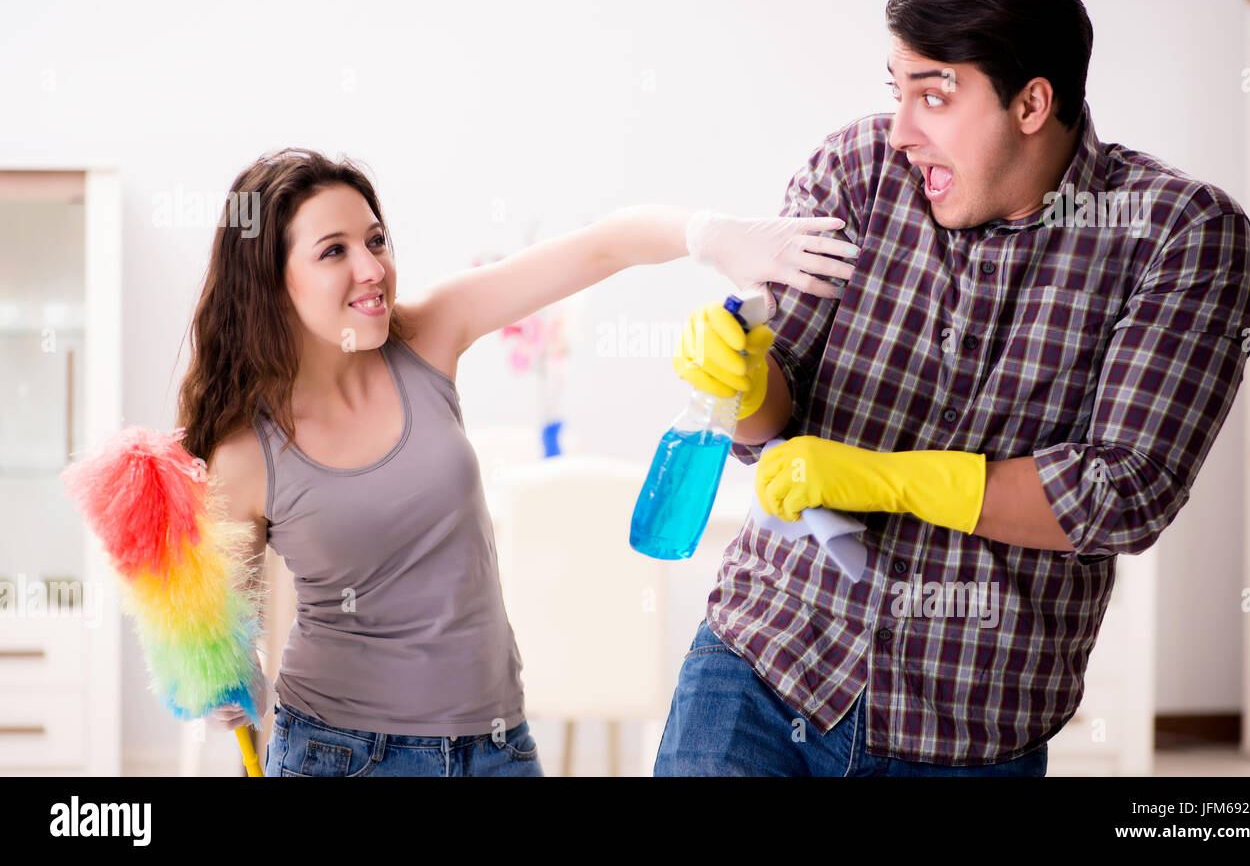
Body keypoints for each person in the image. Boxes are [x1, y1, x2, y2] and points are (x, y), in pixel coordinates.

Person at [657, 0, 1250, 777]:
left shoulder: (1177, 233)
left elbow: (1126, 491)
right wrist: (742, 375)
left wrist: (892, 479)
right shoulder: (860, 173)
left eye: (934, 96)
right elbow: (770, 428)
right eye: (896, 92)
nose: (902, 132)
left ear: (1031, 103)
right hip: (764, 664)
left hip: (969, 723)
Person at [183, 147, 858, 776]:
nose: (372, 268)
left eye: (376, 239)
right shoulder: (245, 452)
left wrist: (709, 235)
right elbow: (223, 626)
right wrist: (227, 677)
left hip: (498, 743)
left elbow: (602, 246)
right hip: (344, 751)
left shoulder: (427, 334)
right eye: (334, 250)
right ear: (272, 282)